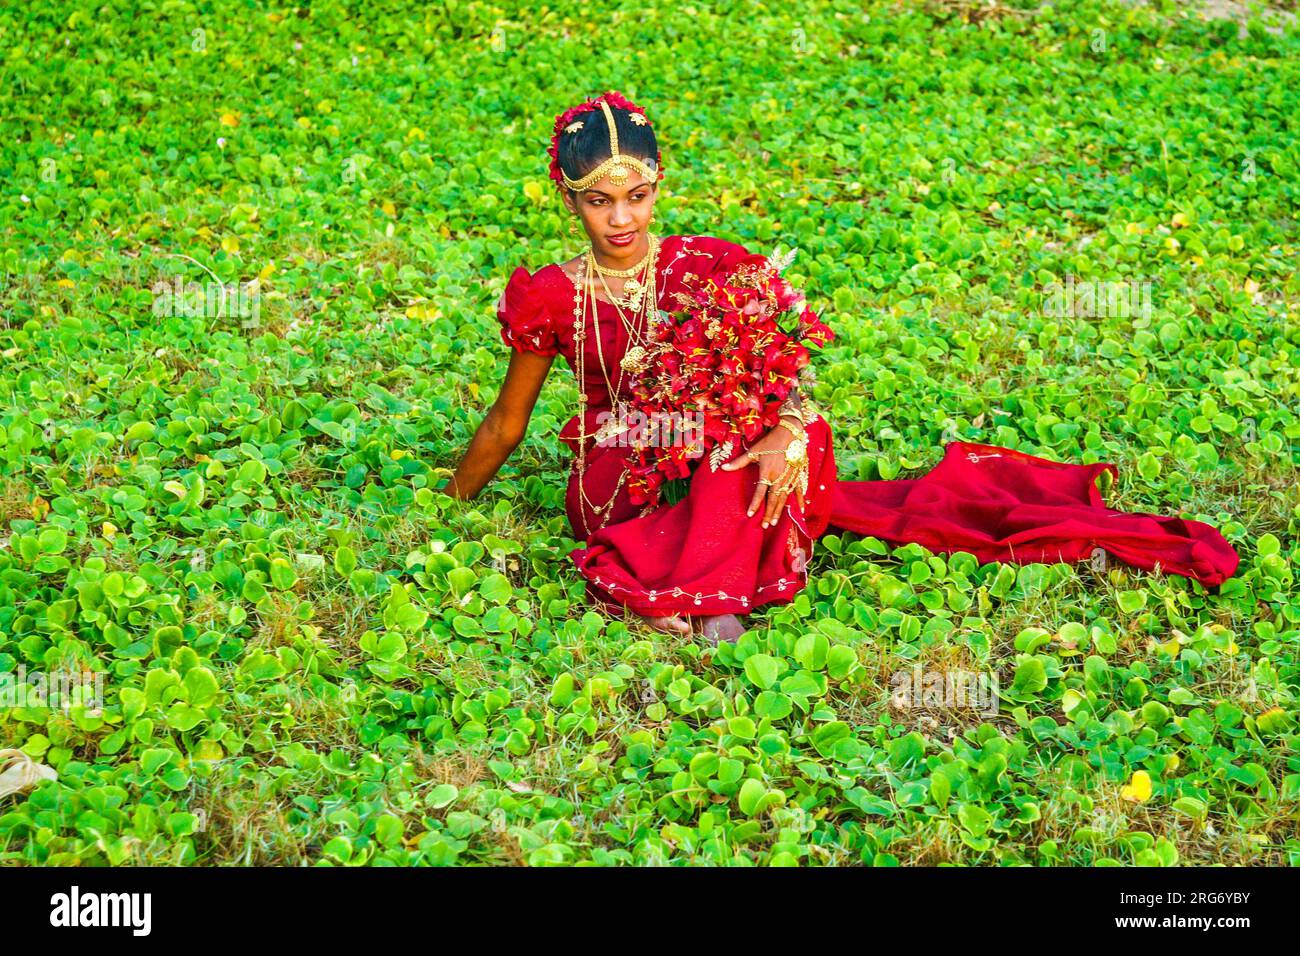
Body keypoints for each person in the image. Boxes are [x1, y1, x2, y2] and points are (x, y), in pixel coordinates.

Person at [445, 90, 1239, 645]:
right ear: (568, 197)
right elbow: (508, 422)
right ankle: (713, 584)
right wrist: (449, 506)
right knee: (717, 444)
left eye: (638, 194)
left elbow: (780, 373)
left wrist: (786, 427)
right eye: (598, 200)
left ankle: (699, 591)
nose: (622, 219)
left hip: (712, 448)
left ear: (659, 185)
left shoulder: (713, 263)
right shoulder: (551, 295)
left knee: (772, 434)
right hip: (622, 463)